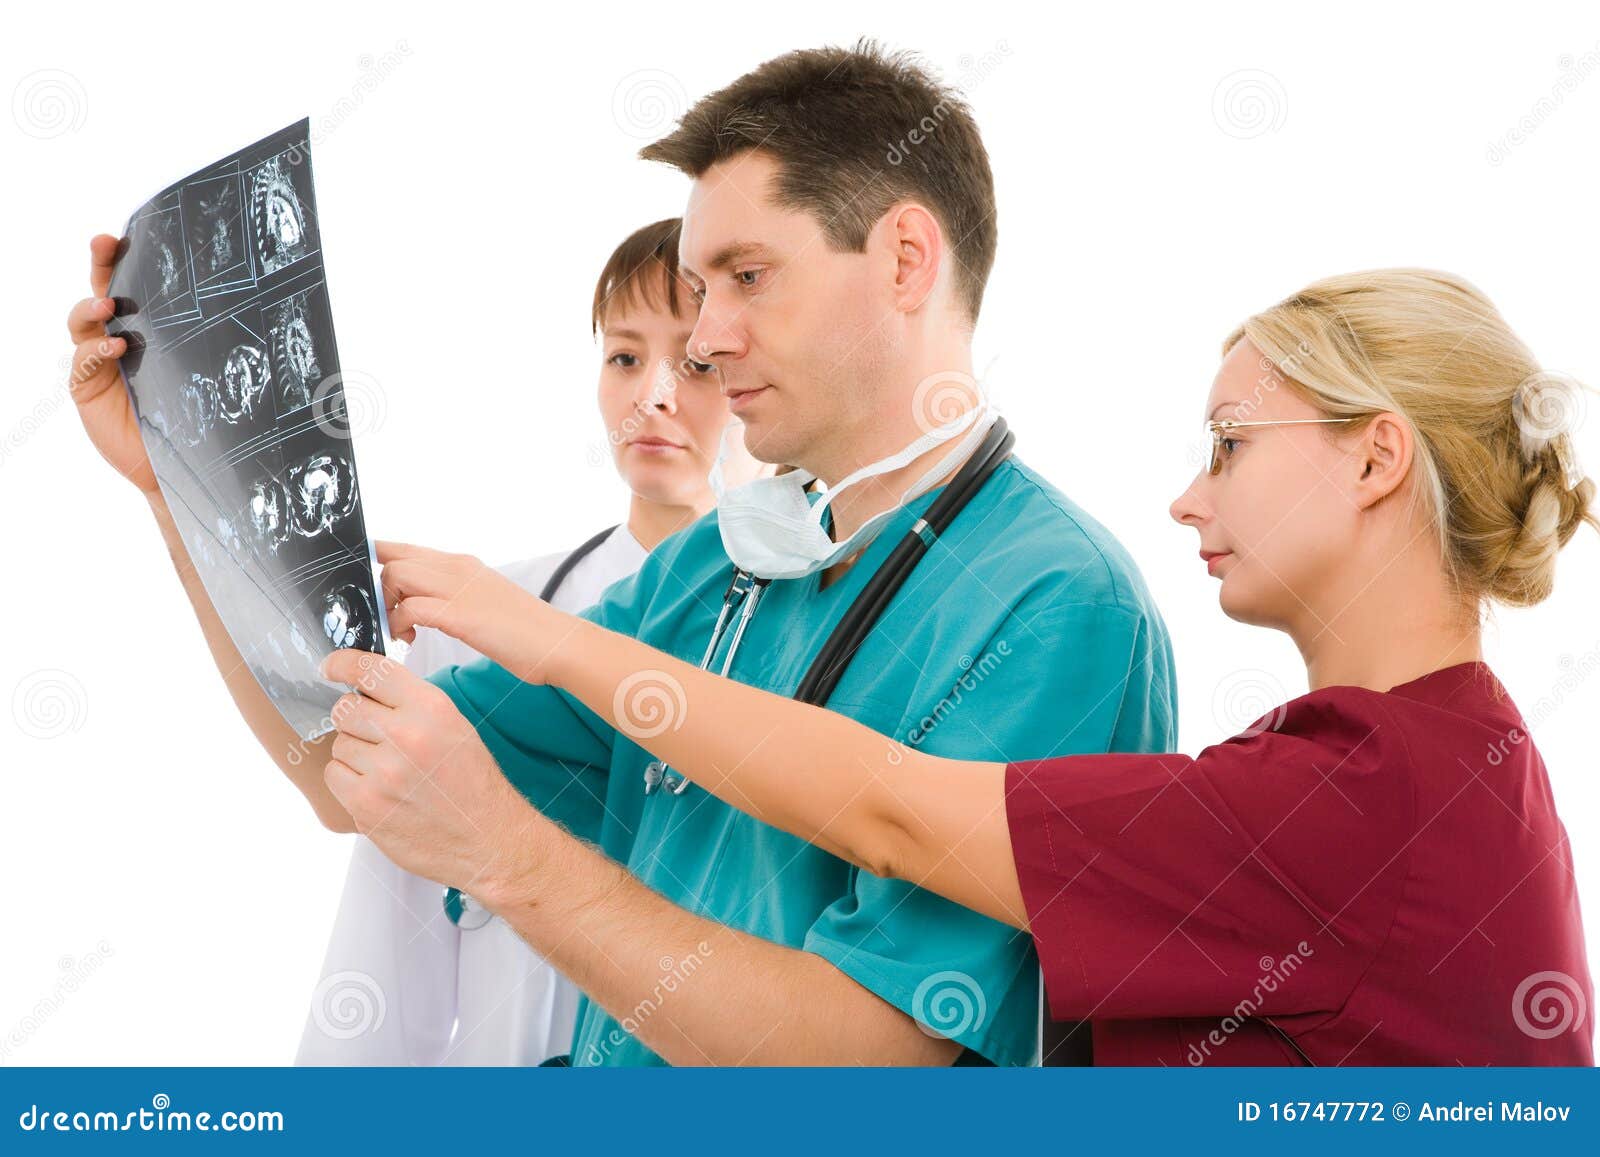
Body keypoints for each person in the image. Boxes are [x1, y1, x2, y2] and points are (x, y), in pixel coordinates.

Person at [91, 41, 1180, 1067]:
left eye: (747, 277)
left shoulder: (1056, 605)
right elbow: (346, 775)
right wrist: (182, 485)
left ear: (903, 258)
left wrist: (508, 857)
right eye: (701, 291)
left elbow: (871, 1058)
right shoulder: (716, 572)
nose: (705, 340)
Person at [364, 268, 1597, 1066]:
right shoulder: (1430, 763)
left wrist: (555, 650)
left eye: (1228, 446)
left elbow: (898, 813)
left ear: (1376, 458)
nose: (1185, 496)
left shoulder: (1370, 795)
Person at [297, 218, 760, 1064]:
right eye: (624, 357)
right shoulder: (470, 622)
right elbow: (384, 951)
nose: (653, 393)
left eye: (695, 363)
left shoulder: (804, 636)